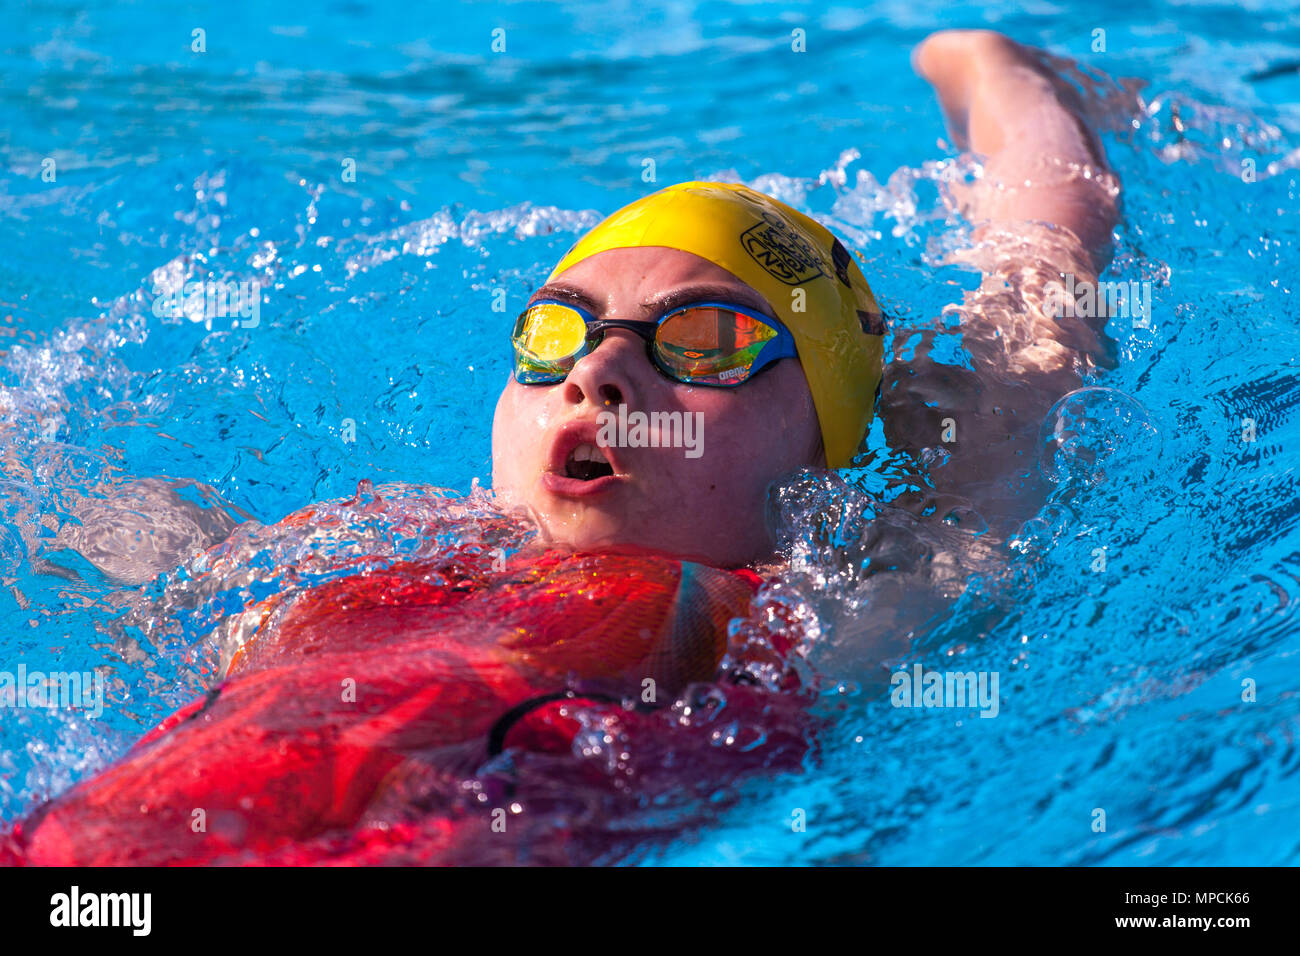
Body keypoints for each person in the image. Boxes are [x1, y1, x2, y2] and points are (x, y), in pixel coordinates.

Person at [6, 30, 1127, 864]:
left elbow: (1039, 317)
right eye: (556, 333)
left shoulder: (811, 609)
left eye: (705, 341)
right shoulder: (360, 550)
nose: (596, 371)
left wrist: (1000, 80)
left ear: (820, 447)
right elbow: (124, 537)